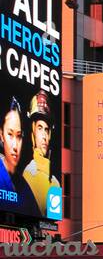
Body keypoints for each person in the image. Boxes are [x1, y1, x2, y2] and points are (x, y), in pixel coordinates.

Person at [22, 92, 59, 220]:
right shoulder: (28, 175)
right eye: (39, 128)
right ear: (32, 131)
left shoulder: (55, 182)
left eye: (46, 129)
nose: (44, 136)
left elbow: (52, 215)